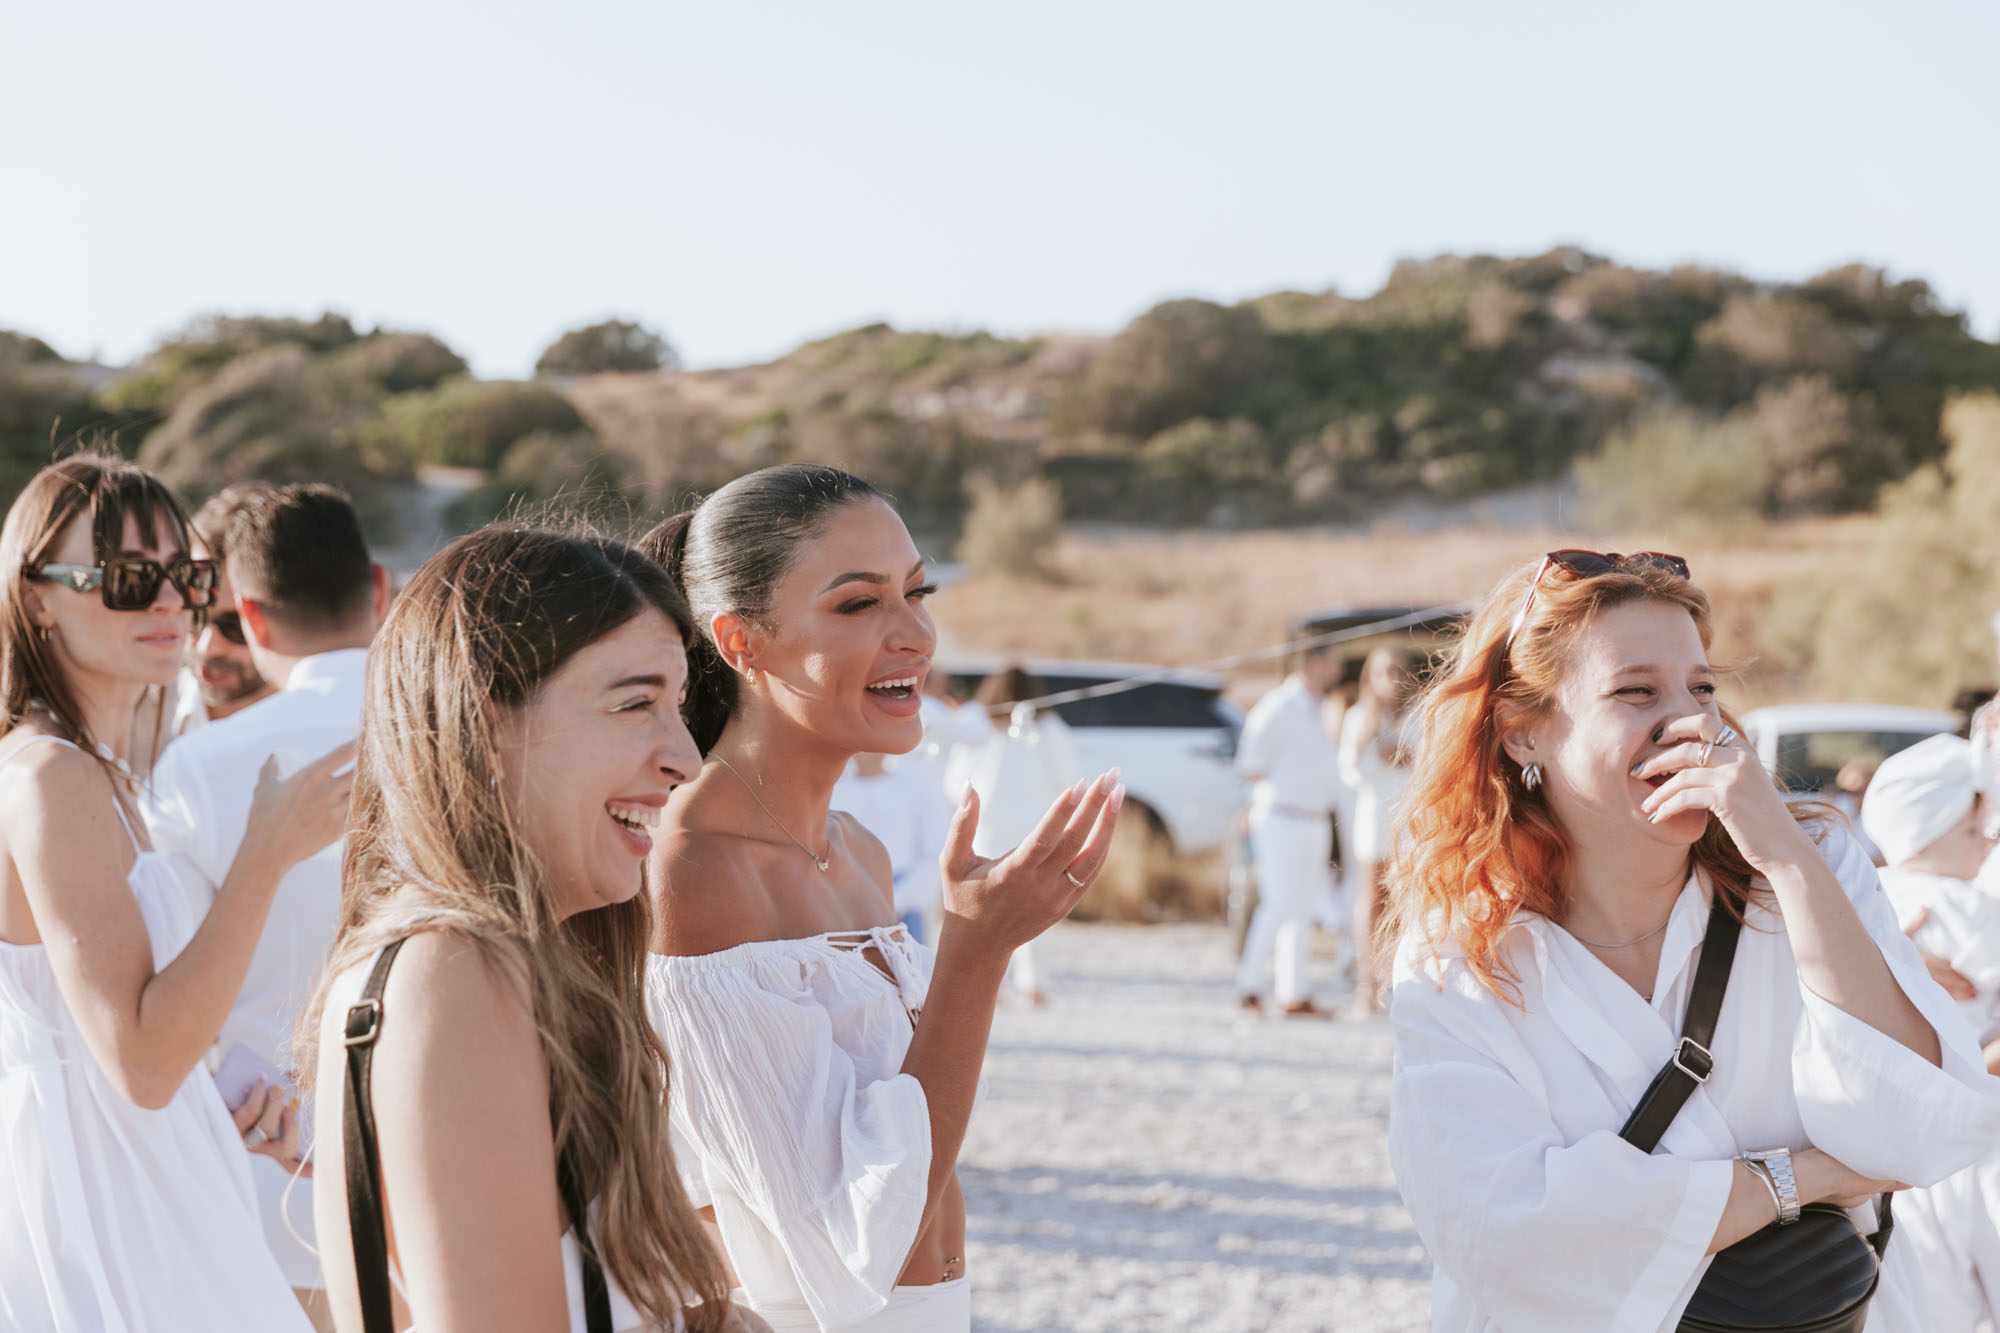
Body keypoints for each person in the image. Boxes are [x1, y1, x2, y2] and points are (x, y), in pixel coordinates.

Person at [1385, 549, 2000, 1332]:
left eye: (1702, 687)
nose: (1691, 723)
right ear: (1522, 733)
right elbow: (1503, 1229)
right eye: (1635, 691)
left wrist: (1787, 858)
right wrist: (1799, 1177)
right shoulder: (1463, 948)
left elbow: (1924, 1129)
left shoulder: (1811, 867)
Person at [641, 464, 1121, 1333]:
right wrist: (975, 953)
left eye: (917, 591)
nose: (916, 634)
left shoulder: (856, 849)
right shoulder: (696, 870)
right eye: (859, 604)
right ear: (741, 639)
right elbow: (850, 1241)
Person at [299, 526, 763, 1333]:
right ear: (483, 728)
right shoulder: (456, 973)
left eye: (679, 705)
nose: (685, 756)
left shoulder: (471, 965)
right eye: (635, 703)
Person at [0, 454, 352, 1331]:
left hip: (156, 1168)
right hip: (115, 1213)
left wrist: (219, 1088)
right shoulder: (52, 776)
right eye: (126, 577)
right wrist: (266, 855)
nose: (168, 603)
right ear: (37, 596)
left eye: (187, 576)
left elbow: (136, 1045)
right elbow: (139, 1059)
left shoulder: (102, 774)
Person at [143, 483, 389, 1322]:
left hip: (263, 1173)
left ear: (246, 613)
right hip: (463, 1154)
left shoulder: (204, 767)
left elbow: (159, 971)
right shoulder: (471, 730)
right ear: (379, 586)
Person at [1860, 733, 2000, 1332]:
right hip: (1979, 1125)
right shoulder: (1962, 904)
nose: (1988, 838)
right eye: (1973, 832)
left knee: (1934, 1304)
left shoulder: (1865, 895)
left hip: (1906, 1148)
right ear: (1931, 834)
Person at [945, 665, 1084, 1005]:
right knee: (1033, 903)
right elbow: (1068, 777)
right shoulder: (1048, 728)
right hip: (1037, 827)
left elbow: (954, 781)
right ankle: (1033, 983)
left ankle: (996, 984)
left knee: (989, 904)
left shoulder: (980, 727)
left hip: (988, 825)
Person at [1234, 643, 1343, 1016]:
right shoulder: (1278, 706)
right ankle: (1248, 985)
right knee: (1278, 903)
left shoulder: (1321, 708)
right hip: (1282, 816)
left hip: (1314, 818)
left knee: (1302, 908)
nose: (1337, 669)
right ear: (1314, 664)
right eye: (1332, 662)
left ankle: (1292, 991)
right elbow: (1249, 763)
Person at [1340, 645, 1417, 1012]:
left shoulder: (1418, 715)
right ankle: (1367, 982)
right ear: (1371, 676)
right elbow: (1349, 770)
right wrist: (1385, 757)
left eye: (1399, 670)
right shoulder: (1359, 717)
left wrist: (1398, 757)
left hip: (1410, 823)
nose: (1393, 678)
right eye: (1386, 671)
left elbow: (1427, 760)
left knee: (1407, 903)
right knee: (1370, 902)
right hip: (1373, 820)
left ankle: (1401, 978)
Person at [182, 482, 280, 730]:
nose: (207, 648)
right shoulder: (137, 718)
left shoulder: (347, 732)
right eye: (194, 618)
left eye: (235, 625)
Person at [830, 752, 953, 943]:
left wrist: (898, 899)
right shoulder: (836, 793)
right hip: (850, 909)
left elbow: (934, 852)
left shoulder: (914, 786)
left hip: (904, 909)